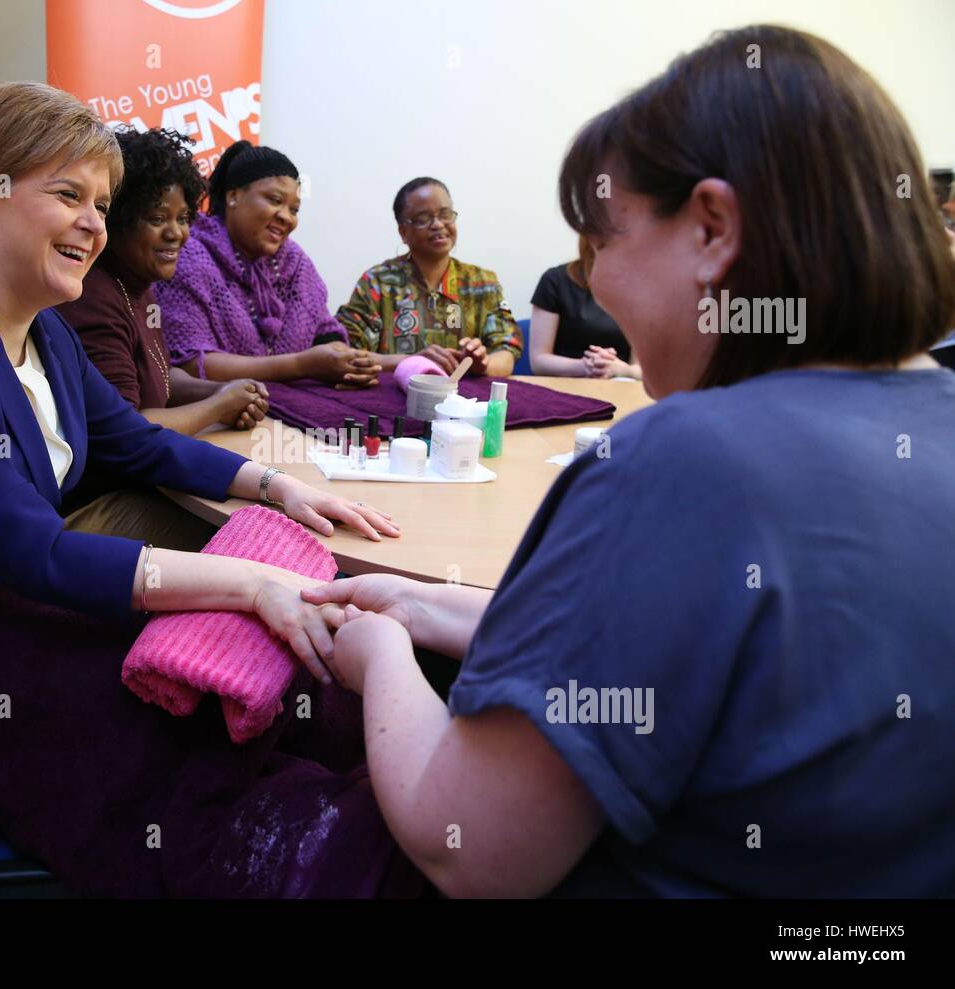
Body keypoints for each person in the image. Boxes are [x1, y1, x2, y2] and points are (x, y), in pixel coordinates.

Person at [303, 24, 955, 897]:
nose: (596, 282)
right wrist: (425, 601)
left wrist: (382, 649)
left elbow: (469, 846)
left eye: (602, 241)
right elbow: (686, 649)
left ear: (713, 227)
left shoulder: (686, 456)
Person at [0, 83, 399, 774]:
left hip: (13, 612)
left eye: (100, 204)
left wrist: (277, 486)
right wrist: (248, 580)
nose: (94, 224)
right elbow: (36, 550)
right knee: (219, 748)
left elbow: (135, 439)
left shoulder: (47, 333)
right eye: (69, 196)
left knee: (274, 698)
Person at [56, 128, 268, 436]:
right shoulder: (92, 299)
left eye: (182, 219)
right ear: (116, 220)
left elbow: (161, 376)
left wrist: (225, 391)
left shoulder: (139, 286)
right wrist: (218, 406)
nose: (176, 233)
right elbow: (124, 431)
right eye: (157, 219)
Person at [154, 140, 381, 388]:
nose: (286, 217)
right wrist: (300, 365)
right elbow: (189, 365)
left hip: (291, 415)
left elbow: (326, 336)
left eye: (294, 209)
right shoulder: (189, 256)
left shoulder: (296, 263)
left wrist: (345, 361)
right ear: (233, 196)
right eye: (274, 200)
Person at [335, 177, 523, 377]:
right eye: (423, 218)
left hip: (463, 402)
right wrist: (412, 361)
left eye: (445, 214)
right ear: (403, 232)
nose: (438, 224)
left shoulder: (482, 283)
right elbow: (346, 352)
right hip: (393, 398)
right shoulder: (378, 282)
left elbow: (506, 351)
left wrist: (483, 364)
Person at [529, 235, 641, 380]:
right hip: (564, 385)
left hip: (621, 386)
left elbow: (642, 370)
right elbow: (538, 361)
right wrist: (585, 366)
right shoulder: (554, 280)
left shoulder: (639, 286)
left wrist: (621, 369)